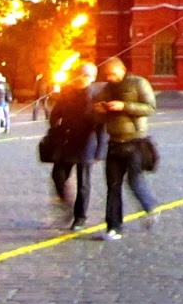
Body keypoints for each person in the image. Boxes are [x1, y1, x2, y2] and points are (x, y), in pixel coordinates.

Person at [96, 57, 159, 239]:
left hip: (135, 142)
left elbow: (150, 107)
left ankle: (149, 206)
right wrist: (99, 110)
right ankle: (113, 227)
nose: (109, 77)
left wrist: (124, 106)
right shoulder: (106, 89)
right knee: (112, 187)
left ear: (122, 70)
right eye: (106, 74)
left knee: (134, 181)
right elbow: (100, 118)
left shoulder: (138, 83)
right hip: (114, 142)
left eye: (113, 74)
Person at [48, 63, 102, 229]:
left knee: (83, 182)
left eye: (84, 75)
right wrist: (55, 128)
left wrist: (100, 150)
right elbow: (56, 112)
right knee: (58, 175)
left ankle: (80, 217)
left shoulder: (97, 95)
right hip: (67, 140)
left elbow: (102, 124)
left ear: (91, 78)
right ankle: (67, 203)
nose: (80, 78)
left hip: (87, 142)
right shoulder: (67, 92)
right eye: (79, 74)